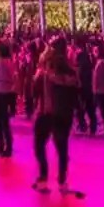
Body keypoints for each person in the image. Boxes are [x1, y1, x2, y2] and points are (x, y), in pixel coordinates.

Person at [32, 39, 80, 193]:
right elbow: (76, 95)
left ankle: (43, 177)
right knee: (62, 148)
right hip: (64, 114)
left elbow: (34, 91)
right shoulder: (71, 72)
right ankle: (62, 180)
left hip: (46, 112)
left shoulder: (44, 73)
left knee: (39, 144)